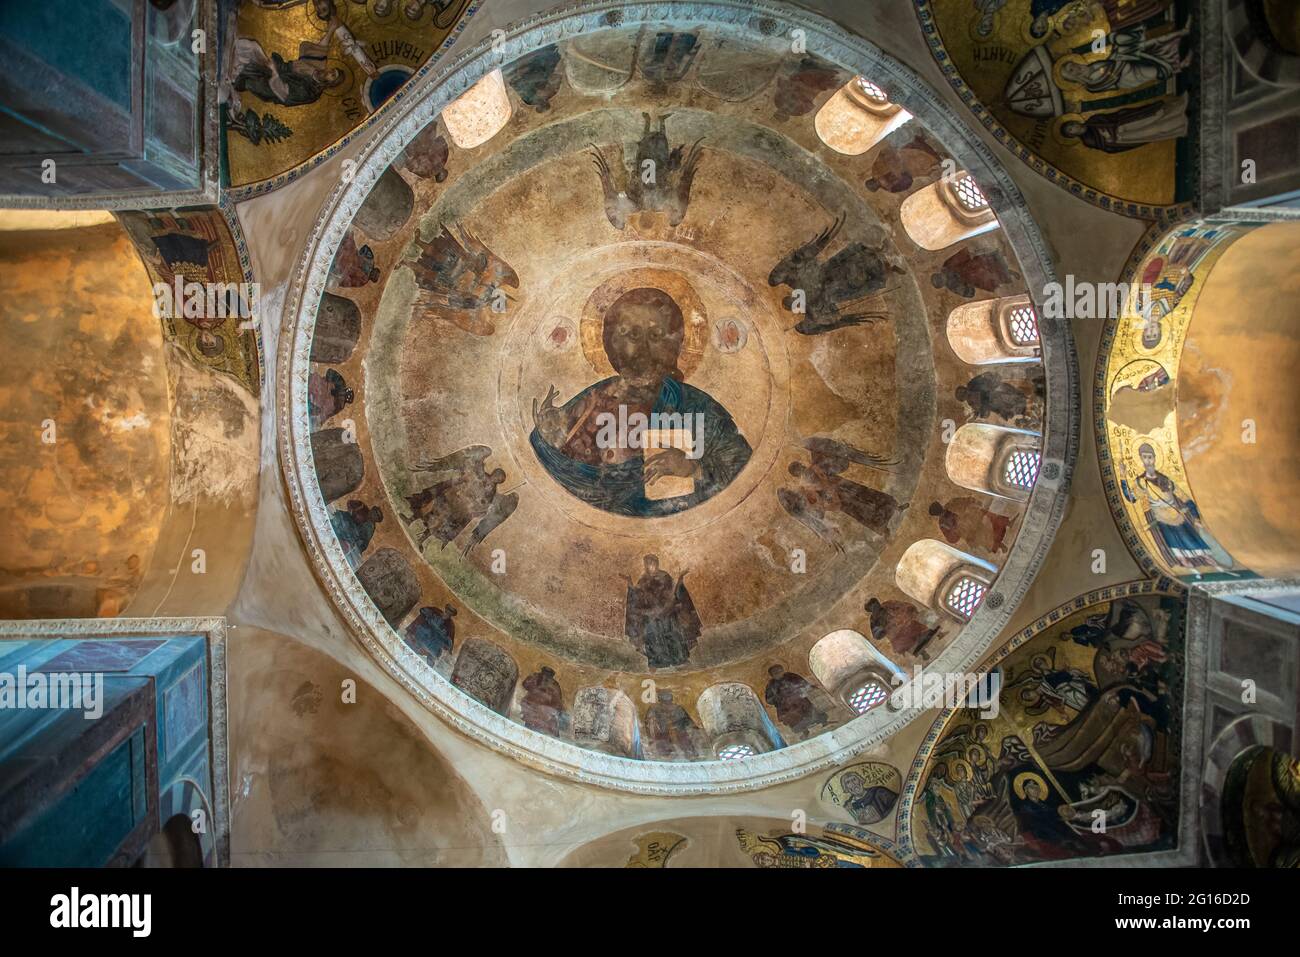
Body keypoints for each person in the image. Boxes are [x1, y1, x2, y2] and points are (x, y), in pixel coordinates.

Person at [530, 287, 751, 517]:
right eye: (633, 334)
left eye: (656, 336)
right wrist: (548, 440)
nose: (644, 349)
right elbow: (555, 475)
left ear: (675, 344)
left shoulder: (698, 407)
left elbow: (742, 471)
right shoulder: (592, 401)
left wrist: (693, 469)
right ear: (611, 341)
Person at [623, 556, 701, 669]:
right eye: (647, 563)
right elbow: (638, 597)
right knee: (651, 635)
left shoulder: (665, 576)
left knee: (673, 634)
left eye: (651, 563)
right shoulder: (643, 579)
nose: (649, 565)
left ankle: (679, 659)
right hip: (650, 614)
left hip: (666, 611)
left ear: (657, 563)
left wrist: (680, 580)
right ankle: (656, 662)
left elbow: (672, 593)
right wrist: (630, 583)